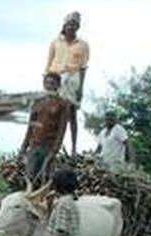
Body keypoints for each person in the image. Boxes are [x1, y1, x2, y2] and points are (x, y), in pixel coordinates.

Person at [45, 11, 89, 155]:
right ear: (64, 25)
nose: (71, 27)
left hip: (72, 79)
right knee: (51, 111)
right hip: (55, 78)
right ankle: (49, 143)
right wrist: (45, 81)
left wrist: (81, 88)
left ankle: (73, 147)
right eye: (69, 24)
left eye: (74, 24)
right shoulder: (55, 43)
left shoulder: (83, 45)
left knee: (71, 113)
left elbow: (83, 68)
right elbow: (48, 64)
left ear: (78, 27)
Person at [19, 72, 72, 183]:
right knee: (29, 178)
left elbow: (62, 130)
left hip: (48, 147)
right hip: (34, 145)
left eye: (52, 83)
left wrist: (54, 151)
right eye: (47, 83)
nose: (49, 86)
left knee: (45, 178)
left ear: (58, 85)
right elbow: (30, 126)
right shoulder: (37, 102)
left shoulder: (62, 104)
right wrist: (24, 146)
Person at [41, 168, 79, 236]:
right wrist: (49, 206)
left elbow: (62, 232)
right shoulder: (70, 202)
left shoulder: (63, 204)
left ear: (57, 185)